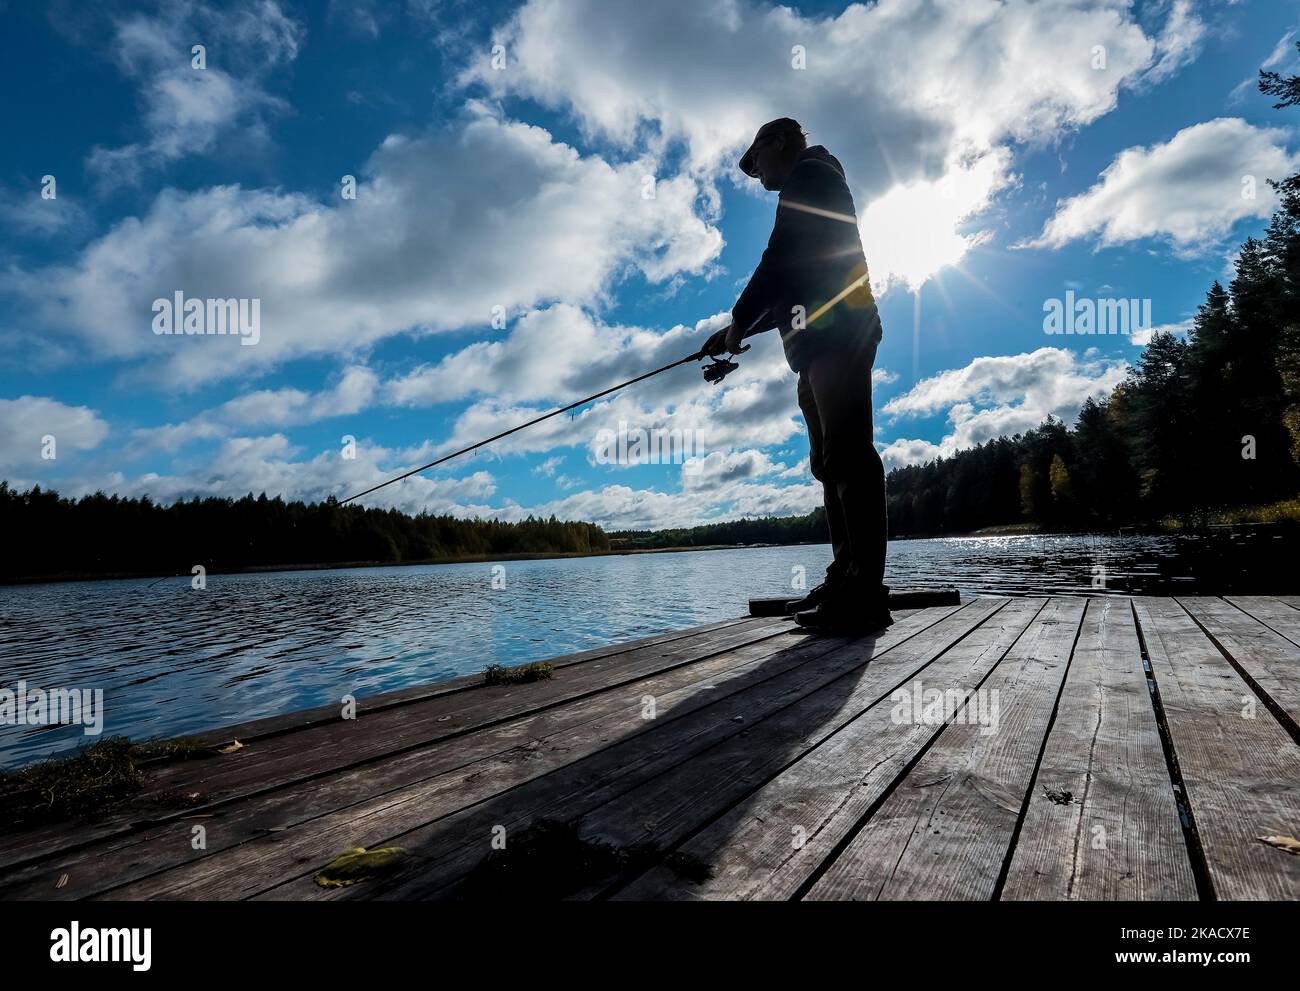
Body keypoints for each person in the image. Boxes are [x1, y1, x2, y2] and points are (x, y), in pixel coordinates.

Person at [703, 117, 890, 635]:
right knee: (829, 463)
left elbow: (781, 258)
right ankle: (846, 576)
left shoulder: (812, 174)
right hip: (816, 344)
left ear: (780, 140)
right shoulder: (811, 181)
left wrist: (739, 320)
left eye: (754, 158)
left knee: (848, 453)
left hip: (839, 337)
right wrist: (734, 333)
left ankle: (865, 594)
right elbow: (799, 285)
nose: (754, 171)